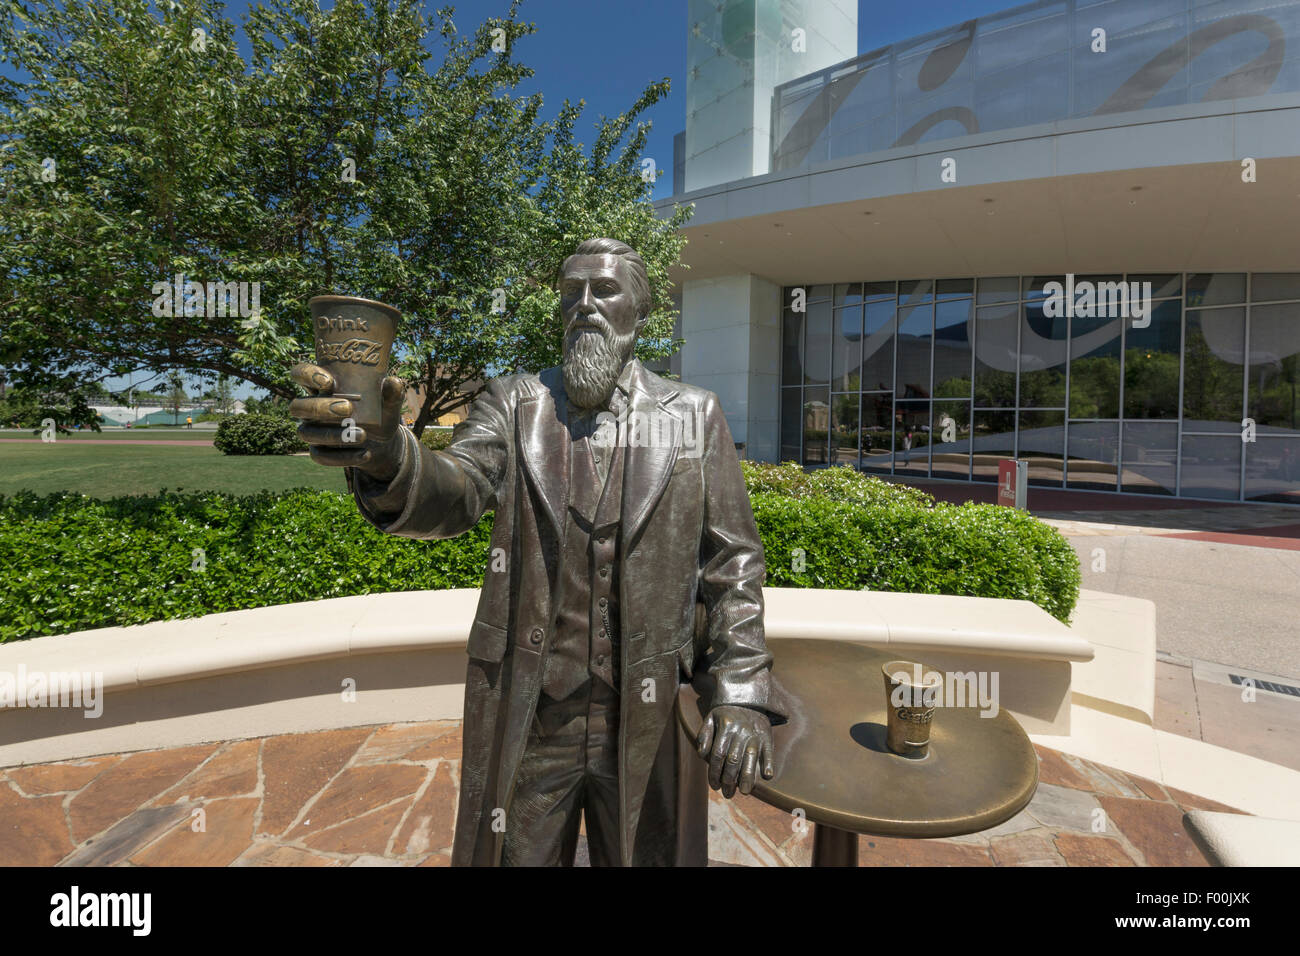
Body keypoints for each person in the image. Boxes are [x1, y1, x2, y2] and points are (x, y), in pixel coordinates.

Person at [290, 238, 782, 866]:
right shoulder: (514, 403)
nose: (584, 305)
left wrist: (739, 689)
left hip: (648, 709)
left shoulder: (693, 414)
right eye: (570, 292)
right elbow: (459, 489)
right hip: (533, 706)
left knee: (648, 858)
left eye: (604, 290)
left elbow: (732, 562)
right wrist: (389, 456)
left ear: (642, 310)